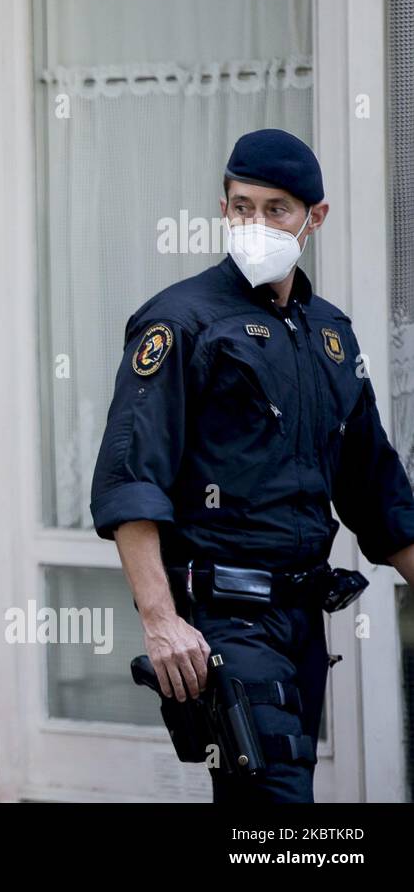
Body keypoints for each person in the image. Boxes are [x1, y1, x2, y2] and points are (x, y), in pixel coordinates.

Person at [90, 128, 414, 802]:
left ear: (314, 217)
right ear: (223, 207)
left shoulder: (331, 335)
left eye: (276, 209)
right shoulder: (181, 321)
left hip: (301, 618)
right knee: (277, 806)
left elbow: (376, 490)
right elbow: (130, 479)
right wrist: (161, 620)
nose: (256, 223)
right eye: (242, 207)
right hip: (223, 622)